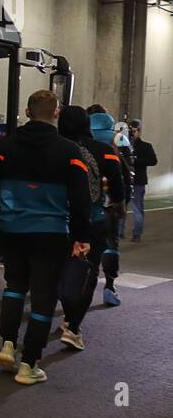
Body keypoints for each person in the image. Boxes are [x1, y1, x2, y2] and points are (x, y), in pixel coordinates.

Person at [0, 89, 91, 386]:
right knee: (44, 297)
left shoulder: (3, 147)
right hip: (50, 235)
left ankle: (8, 344)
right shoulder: (70, 152)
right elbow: (81, 198)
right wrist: (81, 235)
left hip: (13, 231)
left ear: (26, 110)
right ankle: (29, 364)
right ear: (57, 113)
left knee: (14, 287)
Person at [58, 106, 126, 350]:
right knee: (86, 273)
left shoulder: (55, 148)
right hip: (92, 220)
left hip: (55, 221)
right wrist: (113, 201)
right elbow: (119, 188)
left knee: (59, 272)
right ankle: (73, 326)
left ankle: (66, 315)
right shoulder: (104, 150)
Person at [87, 105, 131, 305]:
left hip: (85, 200)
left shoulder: (84, 138)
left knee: (83, 243)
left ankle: (79, 287)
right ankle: (109, 286)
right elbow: (128, 169)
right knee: (111, 244)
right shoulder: (119, 138)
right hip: (111, 200)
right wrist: (122, 202)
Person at [127, 119, 158, 242]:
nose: (133, 133)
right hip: (125, 180)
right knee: (121, 207)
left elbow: (153, 161)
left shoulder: (146, 146)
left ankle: (137, 234)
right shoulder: (123, 145)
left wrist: (136, 160)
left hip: (138, 181)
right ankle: (119, 232)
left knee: (137, 208)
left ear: (139, 131)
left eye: (135, 130)